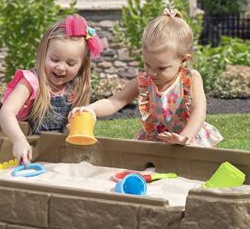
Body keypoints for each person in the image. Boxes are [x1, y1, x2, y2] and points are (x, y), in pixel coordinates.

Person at [71, 9, 223, 147]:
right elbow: (115, 101)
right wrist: (91, 109)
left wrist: (185, 136)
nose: (152, 72)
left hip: (188, 136)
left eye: (161, 68)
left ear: (183, 60)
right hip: (155, 139)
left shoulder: (190, 78)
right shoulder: (143, 81)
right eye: (147, 64)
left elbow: (199, 111)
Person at [0, 14, 103, 166]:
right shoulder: (32, 82)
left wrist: (73, 129)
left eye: (70, 63)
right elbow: (6, 112)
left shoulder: (74, 88)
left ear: (82, 64)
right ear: (43, 53)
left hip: (58, 155)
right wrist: (19, 141)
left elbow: (71, 128)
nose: (61, 67)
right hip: (30, 151)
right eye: (55, 59)